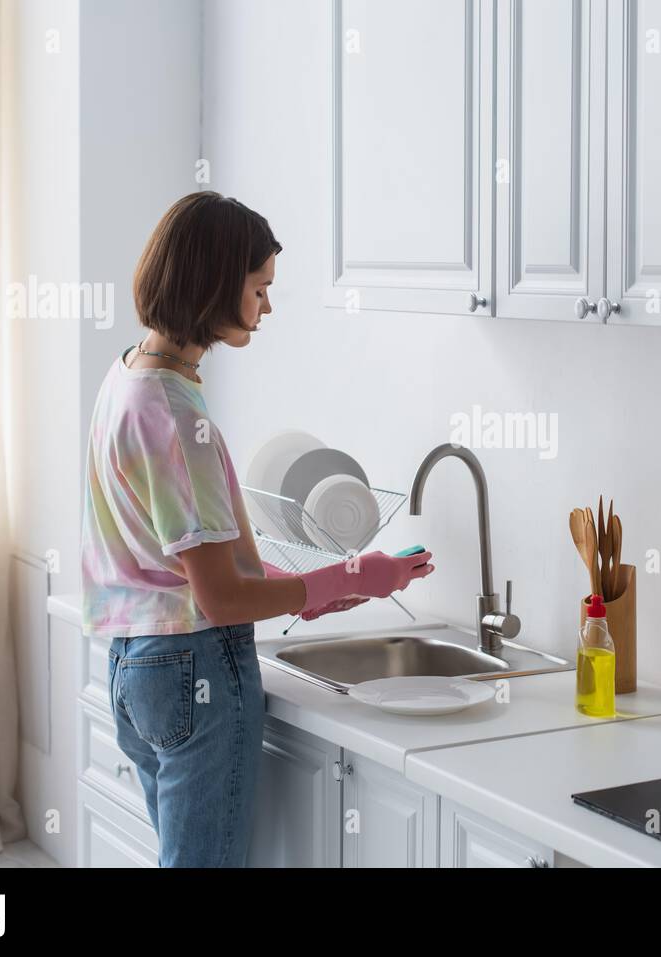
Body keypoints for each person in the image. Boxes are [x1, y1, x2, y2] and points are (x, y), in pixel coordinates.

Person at [80, 191, 433, 866]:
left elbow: (175, 559)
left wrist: (315, 589)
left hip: (135, 664)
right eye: (259, 287)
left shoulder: (128, 377)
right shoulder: (180, 414)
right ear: (214, 283)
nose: (266, 307)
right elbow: (219, 599)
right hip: (195, 669)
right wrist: (354, 573)